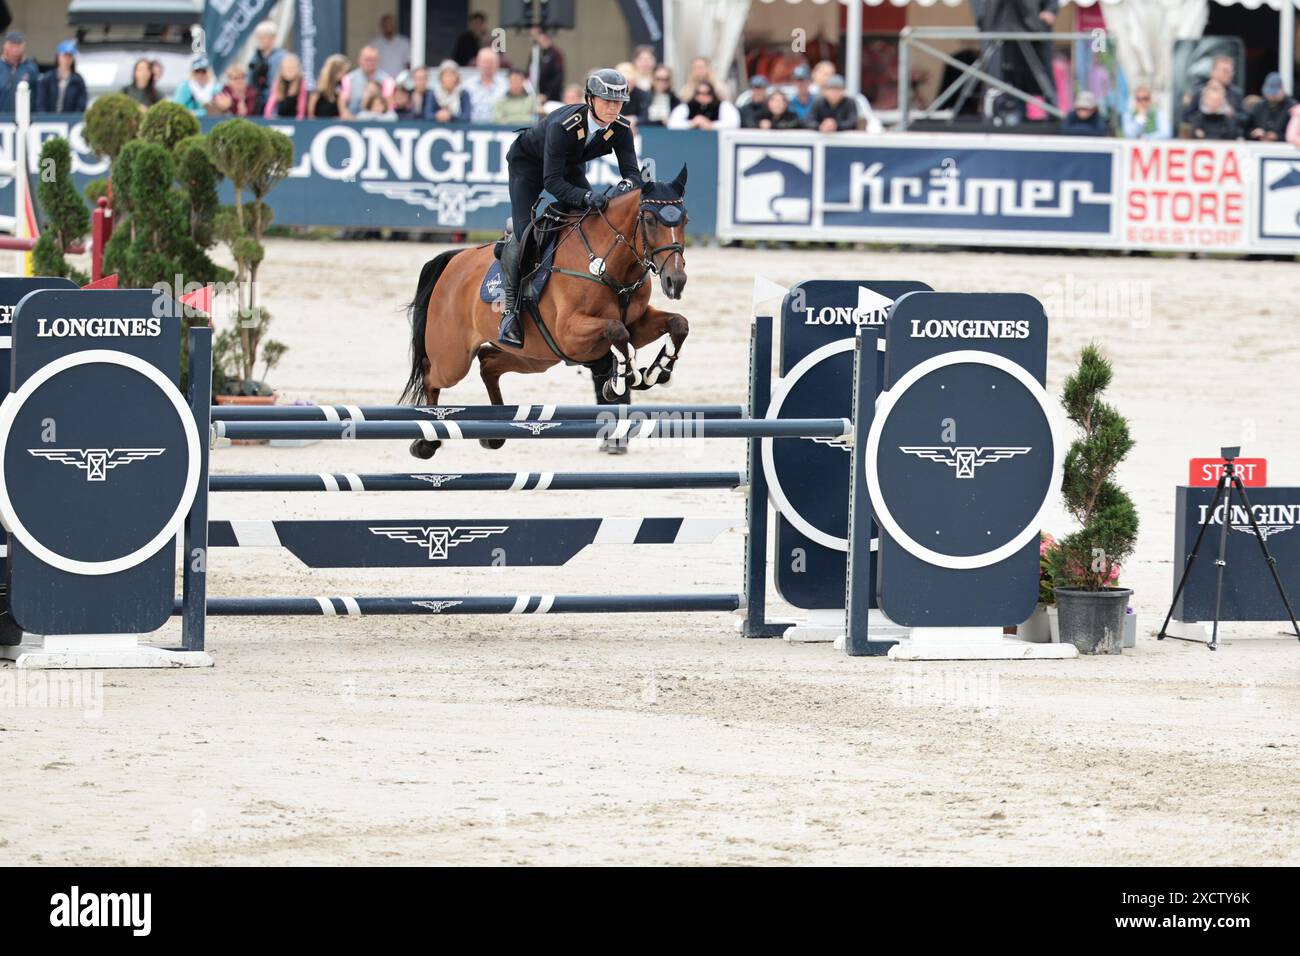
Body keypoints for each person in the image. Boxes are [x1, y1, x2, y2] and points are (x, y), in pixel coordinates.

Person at [496, 69, 642, 348]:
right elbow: (551, 182)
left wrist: (624, 187)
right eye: (606, 101)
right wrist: (587, 196)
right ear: (590, 99)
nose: (613, 107)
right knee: (526, 233)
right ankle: (509, 312)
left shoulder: (620, 129)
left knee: (590, 218)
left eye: (619, 102)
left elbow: (633, 174)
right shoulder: (564, 125)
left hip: (568, 166)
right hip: (528, 166)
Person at [1182, 55, 1245, 124]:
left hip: (1227, 132)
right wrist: (1203, 116)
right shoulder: (1198, 92)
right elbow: (1186, 117)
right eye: (1225, 71)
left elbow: (1244, 118)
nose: (1229, 75)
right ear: (1213, 71)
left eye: (1231, 71)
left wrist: (1232, 114)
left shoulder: (1236, 94)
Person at [36, 40, 86, 113]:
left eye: (70, 56)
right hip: (48, 121)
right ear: (58, 57)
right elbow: (40, 103)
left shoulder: (78, 80)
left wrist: (73, 119)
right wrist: (45, 119)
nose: (67, 60)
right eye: (64, 56)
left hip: (70, 121)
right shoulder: (47, 78)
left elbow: (81, 105)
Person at [342, 46, 394, 116]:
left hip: (379, 119)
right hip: (353, 119)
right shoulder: (349, 78)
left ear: (378, 60)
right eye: (367, 60)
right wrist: (346, 114)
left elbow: (389, 104)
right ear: (359, 60)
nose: (370, 63)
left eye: (373, 60)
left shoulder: (387, 80)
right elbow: (343, 102)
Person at [667, 80, 739, 129]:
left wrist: (711, 125)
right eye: (699, 93)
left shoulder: (723, 106)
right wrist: (692, 124)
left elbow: (733, 124)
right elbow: (672, 123)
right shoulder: (686, 107)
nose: (703, 96)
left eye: (707, 93)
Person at [248, 20, 285, 115]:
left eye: (264, 37)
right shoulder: (255, 57)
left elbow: (276, 82)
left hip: (273, 101)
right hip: (256, 101)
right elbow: (250, 79)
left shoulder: (281, 57)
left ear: (273, 38)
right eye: (259, 37)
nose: (261, 40)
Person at [1247, 72, 1295, 142]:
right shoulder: (1259, 107)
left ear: (1282, 90)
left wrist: (1278, 136)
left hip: (1285, 150)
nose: (1271, 96)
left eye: (1274, 93)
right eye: (1269, 93)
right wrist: (1254, 133)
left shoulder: (1292, 108)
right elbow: (1246, 129)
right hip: (1260, 148)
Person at [463, 47, 507, 123]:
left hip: (500, 130)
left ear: (498, 64)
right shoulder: (467, 86)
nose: (488, 65)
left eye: (491, 62)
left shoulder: (506, 85)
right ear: (478, 63)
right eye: (485, 62)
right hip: (472, 130)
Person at [0, 31, 38, 113]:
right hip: (2, 120)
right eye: (11, 45)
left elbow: (38, 97)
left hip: (25, 120)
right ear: (5, 46)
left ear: (23, 47)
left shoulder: (31, 68)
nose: (14, 50)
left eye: (18, 46)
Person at [264, 52, 307, 119]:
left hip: (295, 117)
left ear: (297, 69)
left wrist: (300, 117)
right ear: (282, 69)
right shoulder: (278, 82)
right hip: (281, 116)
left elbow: (302, 102)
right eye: (287, 68)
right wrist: (267, 116)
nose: (290, 71)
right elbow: (272, 100)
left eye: (292, 68)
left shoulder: (301, 82)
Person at [310, 54, 351, 118]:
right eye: (343, 71)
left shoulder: (341, 84)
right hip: (320, 121)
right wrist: (312, 120)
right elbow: (311, 107)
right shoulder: (320, 86)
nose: (345, 74)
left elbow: (342, 106)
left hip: (335, 122)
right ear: (334, 71)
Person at [532, 27, 565, 103]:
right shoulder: (536, 53)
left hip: (551, 96)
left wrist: (547, 94)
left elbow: (558, 77)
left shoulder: (555, 54)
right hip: (537, 93)